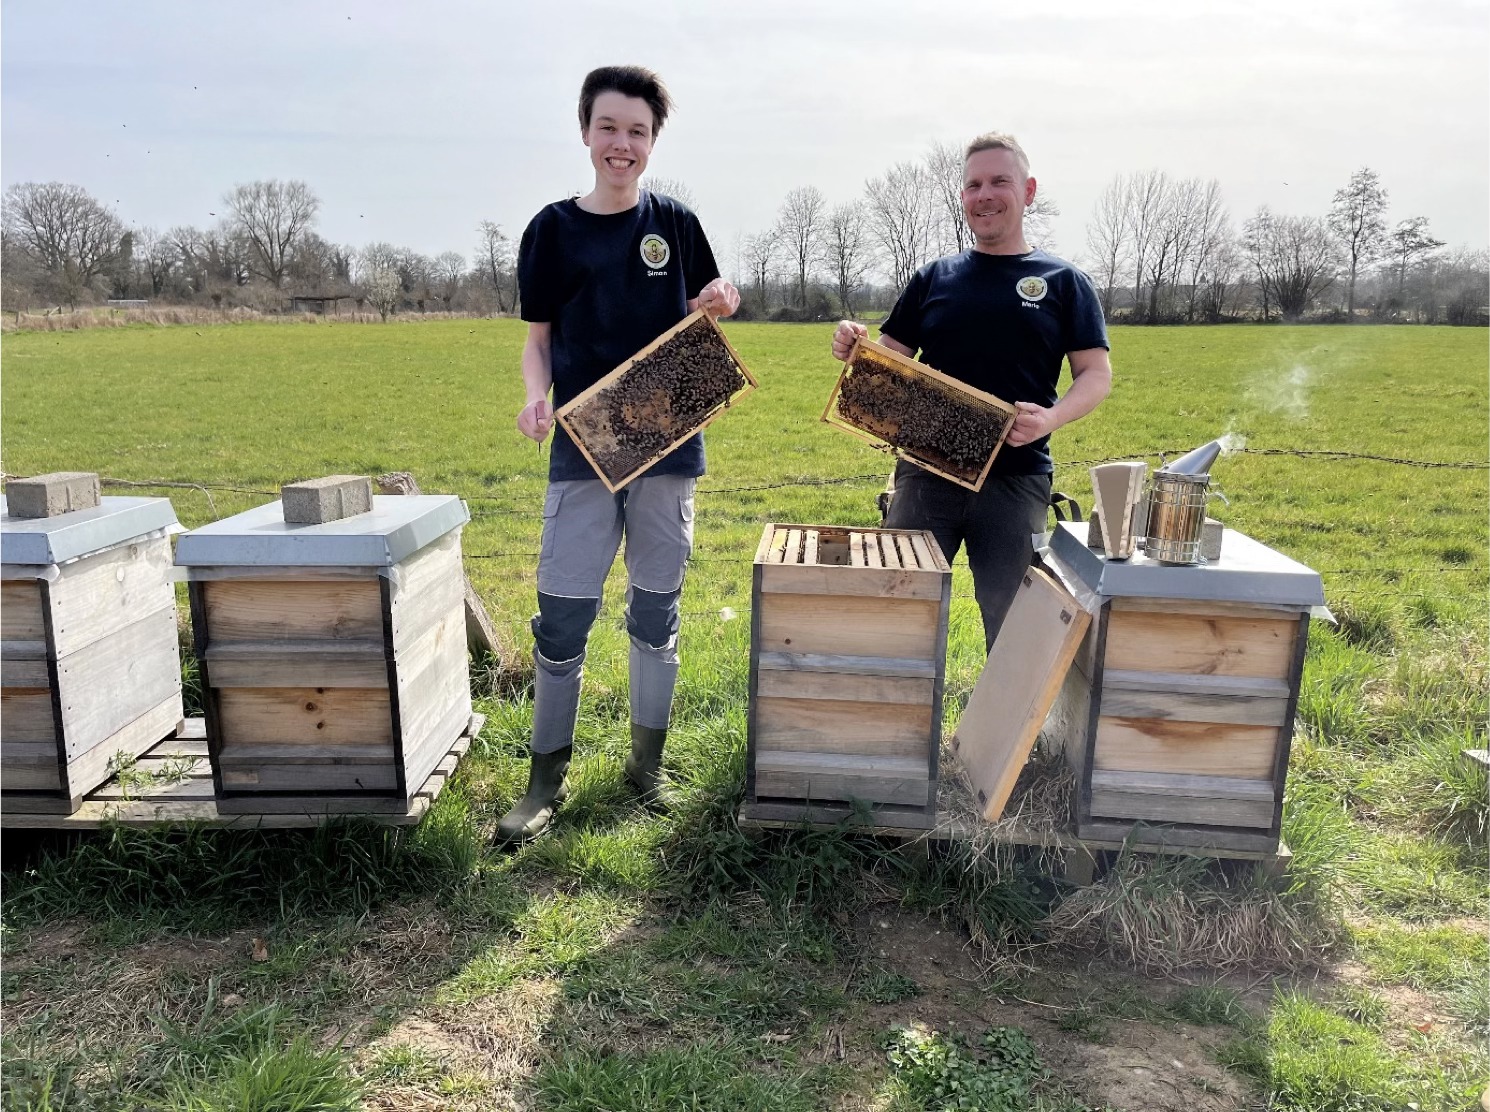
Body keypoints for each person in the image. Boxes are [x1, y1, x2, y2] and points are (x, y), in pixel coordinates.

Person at [497, 65, 740, 845]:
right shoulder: (551, 230)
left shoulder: (677, 221)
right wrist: (537, 396)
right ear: (585, 132)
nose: (622, 145)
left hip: (669, 449)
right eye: (609, 128)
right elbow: (538, 344)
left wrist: (724, 296)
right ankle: (544, 783)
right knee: (562, 619)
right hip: (582, 448)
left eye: (637, 132)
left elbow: (715, 303)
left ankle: (647, 768)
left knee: (655, 612)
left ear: (652, 141)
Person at [832, 132, 1112, 651]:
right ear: (963, 197)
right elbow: (887, 361)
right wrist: (856, 346)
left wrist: (1049, 419)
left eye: (999, 181)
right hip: (925, 475)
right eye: (973, 185)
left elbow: (1095, 373)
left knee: (1012, 632)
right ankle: (900, 731)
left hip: (1016, 482)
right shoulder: (933, 277)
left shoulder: (1064, 281)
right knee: (898, 612)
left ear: (1027, 191)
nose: (985, 194)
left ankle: (1005, 735)